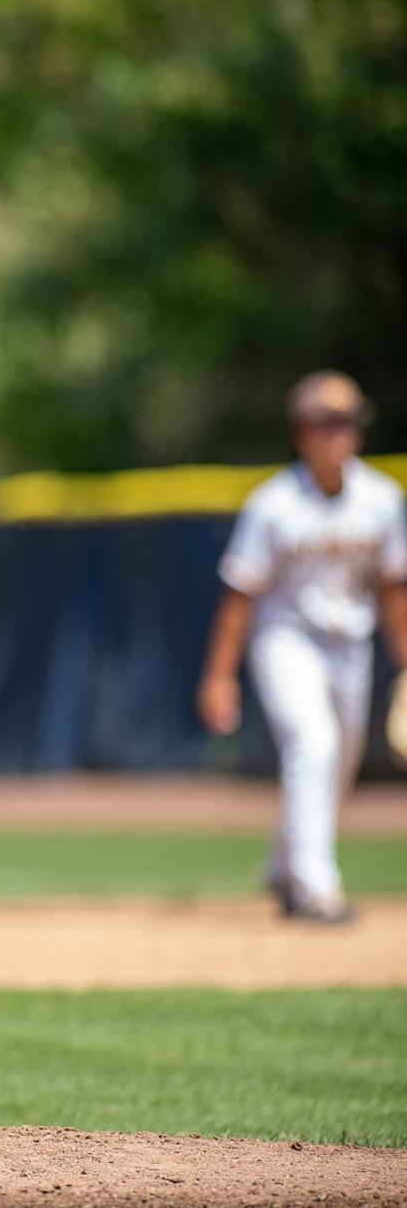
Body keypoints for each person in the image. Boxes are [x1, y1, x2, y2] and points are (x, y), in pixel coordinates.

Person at [197, 371, 407, 923]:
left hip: (350, 644)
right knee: (313, 745)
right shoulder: (273, 504)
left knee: (342, 763)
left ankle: (283, 865)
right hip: (285, 640)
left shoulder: (382, 499)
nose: (340, 432)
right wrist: (219, 676)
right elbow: (239, 595)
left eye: (349, 421)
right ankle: (315, 887)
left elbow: (392, 588)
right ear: (300, 433)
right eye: (326, 422)